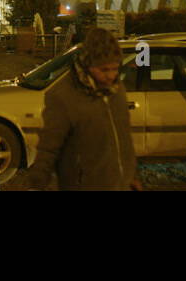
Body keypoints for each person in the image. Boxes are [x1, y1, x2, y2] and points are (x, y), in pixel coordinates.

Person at [27, 27, 141, 191]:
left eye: (115, 68)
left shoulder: (116, 89)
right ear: (88, 64)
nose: (111, 76)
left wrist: (131, 175)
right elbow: (49, 147)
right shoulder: (63, 95)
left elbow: (124, 137)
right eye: (104, 70)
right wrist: (36, 184)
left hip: (120, 184)